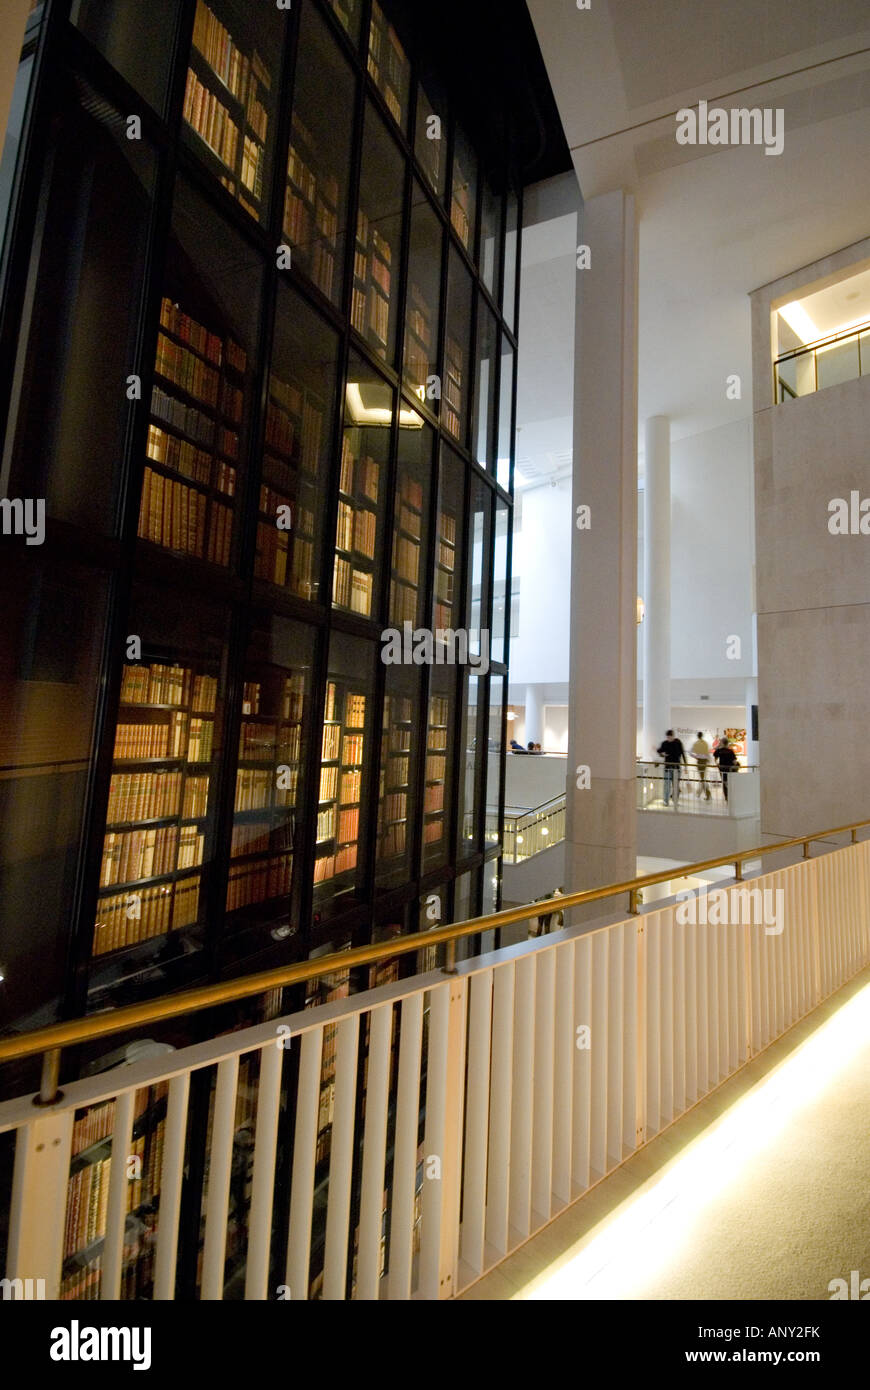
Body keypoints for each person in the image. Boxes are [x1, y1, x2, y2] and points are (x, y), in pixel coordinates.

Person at [656, 729, 687, 805]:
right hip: (667, 767)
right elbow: (659, 751)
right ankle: (666, 801)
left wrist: (686, 766)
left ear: (673, 736)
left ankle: (675, 801)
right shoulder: (665, 743)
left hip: (676, 767)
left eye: (670, 737)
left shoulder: (678, 742)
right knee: (667, 785)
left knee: (676, 785)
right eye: (668, 737)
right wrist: (662, 754)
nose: (669, 738)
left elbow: (683, 753)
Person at [714, 735, 738, 802]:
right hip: (730, 769)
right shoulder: (730, 751)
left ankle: (726, 797)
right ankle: (731, 796)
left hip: (722, 769)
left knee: (724, 783)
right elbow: (734, 761)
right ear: (727, 743)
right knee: (730, 782)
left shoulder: (719, 750)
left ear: (722, 743)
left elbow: (715, 758)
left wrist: (717, 764)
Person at [690, 731, 712, 800]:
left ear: (697, 736)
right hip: (705, 762)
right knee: (702, 778)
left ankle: (706, 793)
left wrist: (696, 756)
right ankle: (701, 792)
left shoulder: (696, 744)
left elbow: (690, 753)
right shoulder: (705, 743)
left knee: (702, 778)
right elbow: (708, 753)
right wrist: (708, 760)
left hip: (699, 762)